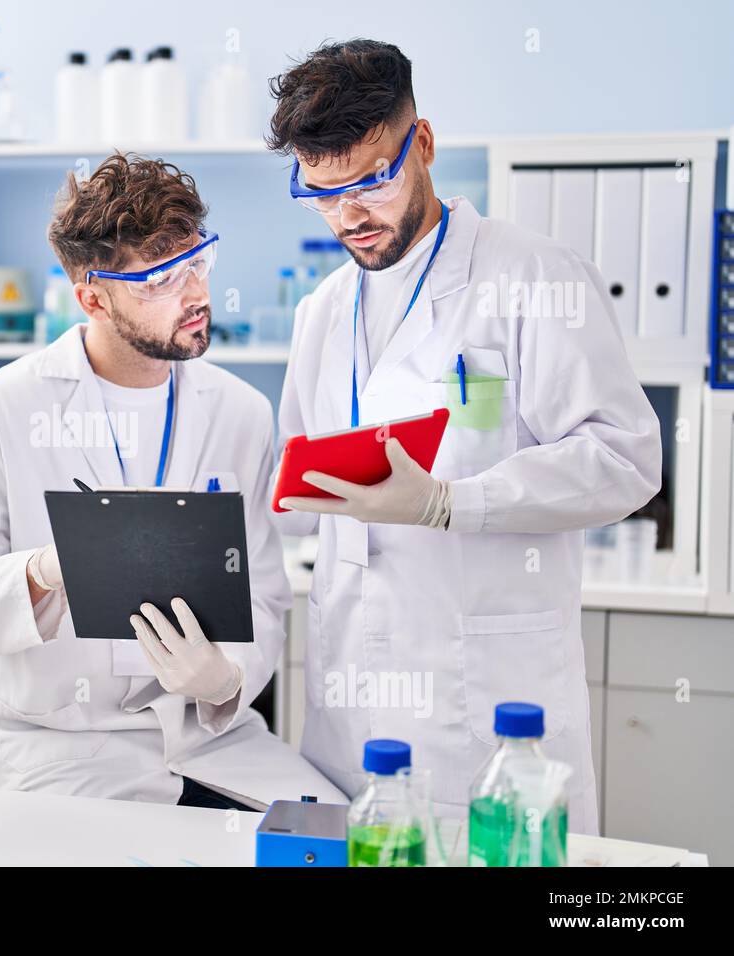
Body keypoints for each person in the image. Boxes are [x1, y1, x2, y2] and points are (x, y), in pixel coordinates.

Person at [265, 39, 661, 833]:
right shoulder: (321, 313)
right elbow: (294, 501)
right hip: (351, 718)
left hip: (485, 710)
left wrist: (452, 502)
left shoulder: (535, 278)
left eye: (371, 181)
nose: (350, 216)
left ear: (424, 145)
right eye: (322, 193)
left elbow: (625, 458)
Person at [0, 154, 341, 809]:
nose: (195, 295)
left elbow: (266, 598)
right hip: (54, 739)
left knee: (332, 842)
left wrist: (224, 678)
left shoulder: (241, 413)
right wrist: (44, 572)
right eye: (161, 280)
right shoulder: (1, 408)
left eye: (199, 262)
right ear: (92, 297)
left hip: (206, 737)